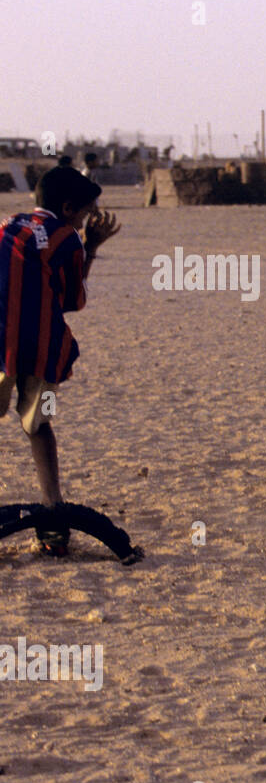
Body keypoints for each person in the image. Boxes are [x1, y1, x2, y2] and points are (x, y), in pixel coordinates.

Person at [0, 167, 120, 554]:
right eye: (85, 215)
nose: (86, 222)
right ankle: (53, 514)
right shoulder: (67, 238)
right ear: (69, 209)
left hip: (0, 346)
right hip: (42, 349)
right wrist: (92, 247)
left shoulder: (8, 225)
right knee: (38, 424)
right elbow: (73, 300)